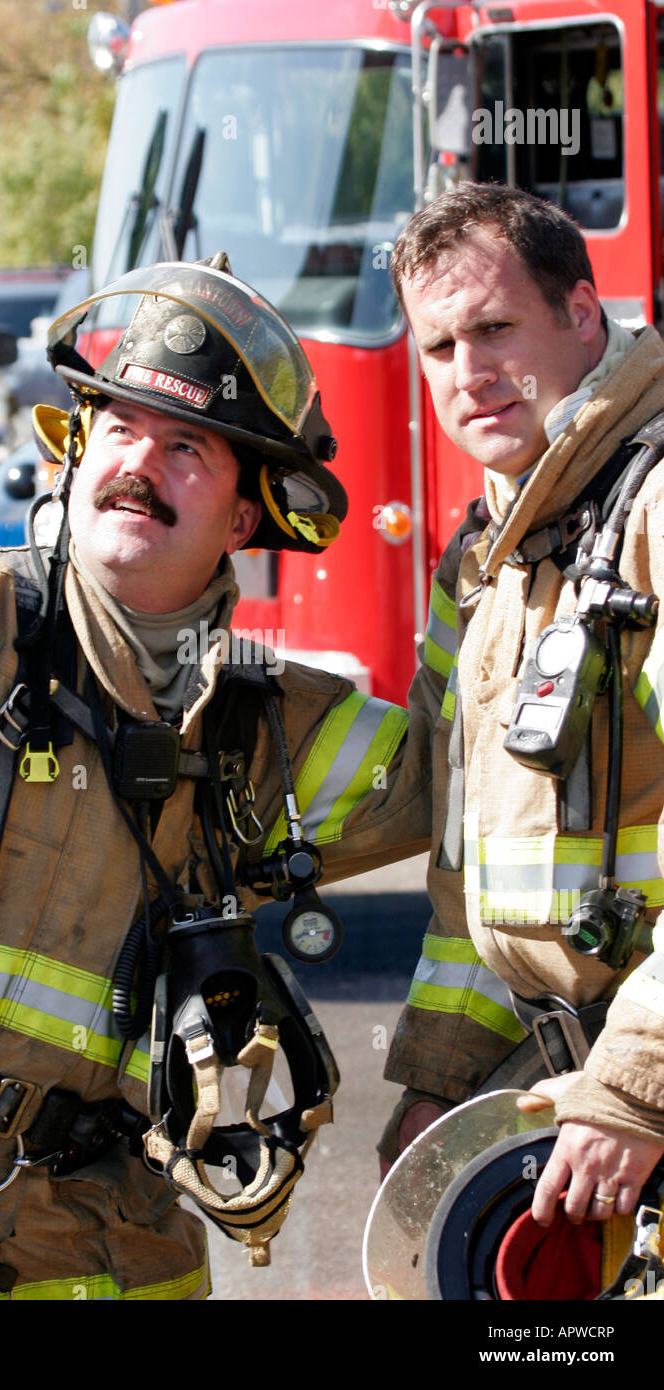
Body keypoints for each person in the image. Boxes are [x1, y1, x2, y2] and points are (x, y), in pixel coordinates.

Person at [0, 257, 431, 1301]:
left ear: (242, 519)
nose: (139, 462)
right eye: (120, 429)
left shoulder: (265, 726)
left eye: (185, 447)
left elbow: (480, 775)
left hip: (102, 1257)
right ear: (74, 451)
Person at [379, 183, 664, 1234]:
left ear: (581, 313)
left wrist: (635, 1082)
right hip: (573, 1089)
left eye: (495, 328)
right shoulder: (490, 557)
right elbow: (478, 869)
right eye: (438, 346)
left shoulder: (652, 510)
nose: (468, 374)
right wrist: (437, 1076)